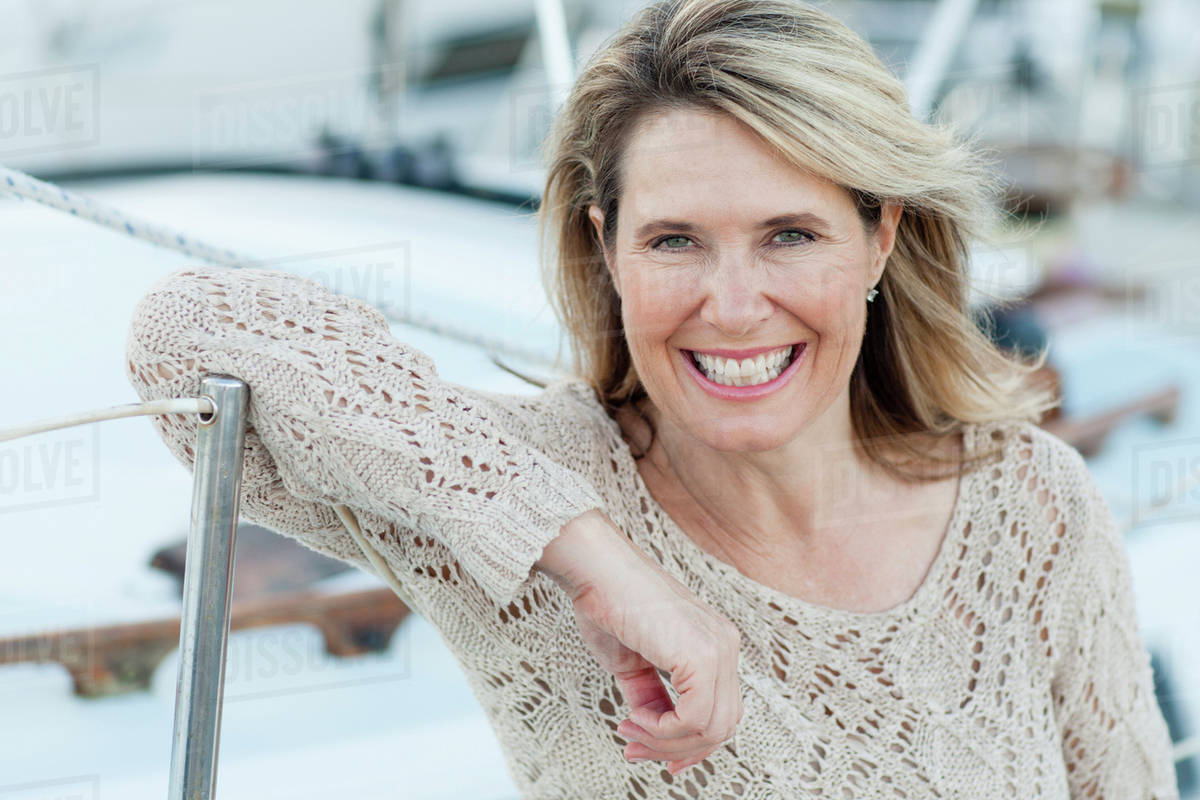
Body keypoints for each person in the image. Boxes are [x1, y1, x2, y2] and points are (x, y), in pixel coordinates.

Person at [124, 0, 1180, 796]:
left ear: (882, 236)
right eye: (675, 240)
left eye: (790, 234)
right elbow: (182, 341)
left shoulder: (1032, 505)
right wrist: (597, 557)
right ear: (607, 249)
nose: (732, 306)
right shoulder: (529, 500)